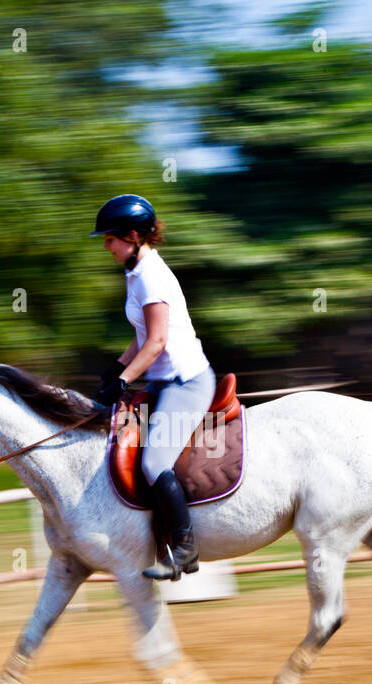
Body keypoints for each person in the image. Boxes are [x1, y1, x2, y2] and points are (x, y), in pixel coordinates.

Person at [89, 194, 215, 580]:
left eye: (110, 238)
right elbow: (142, 337)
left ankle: (184, 550)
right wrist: (117, 367)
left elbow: (157, 342)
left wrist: (125, 380)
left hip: (186, 382)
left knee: (153, 462)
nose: (106, 246)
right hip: (162, 380)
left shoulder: (151, 276)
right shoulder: (136, 272)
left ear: (132, 235)